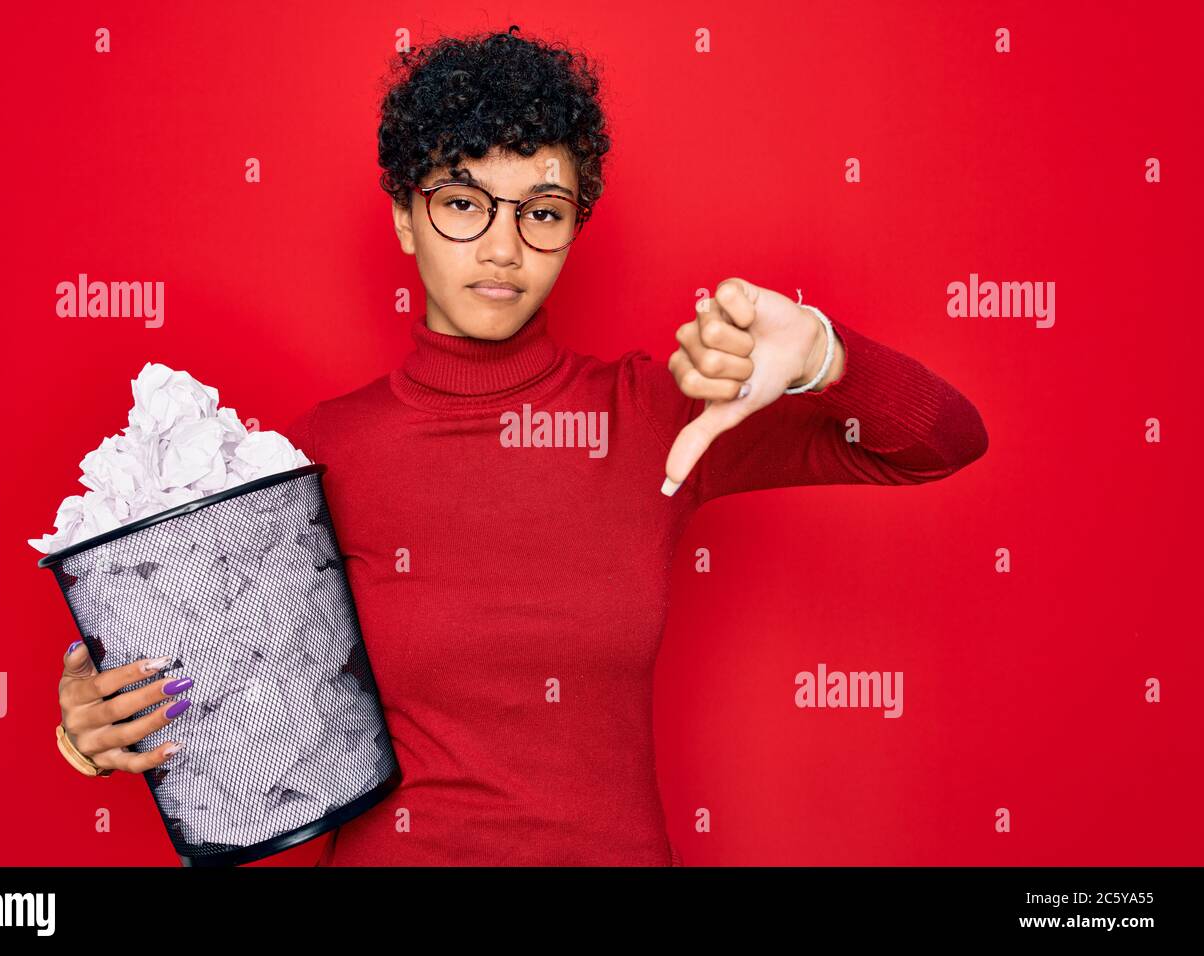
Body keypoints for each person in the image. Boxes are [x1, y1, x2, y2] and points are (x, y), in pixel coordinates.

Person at [56, 25, 989, 865]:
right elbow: (225, 706)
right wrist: (101, 729)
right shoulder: (312, 458)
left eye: (541, 210)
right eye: (464, 201)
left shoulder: (660, 418)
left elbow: (944, 440)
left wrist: (823, 351)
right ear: (403, 216)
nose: (502, 247)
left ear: (574, 227)